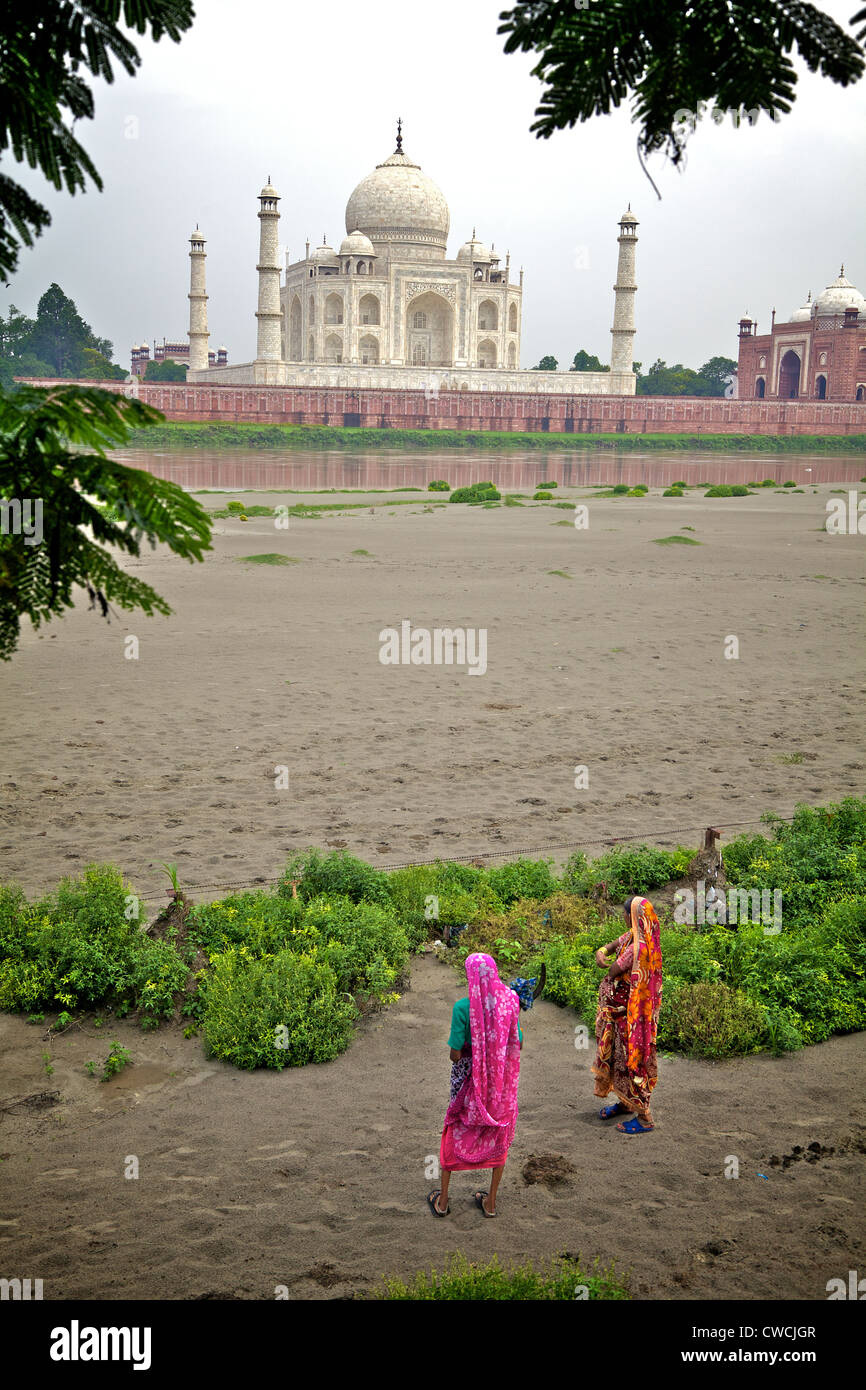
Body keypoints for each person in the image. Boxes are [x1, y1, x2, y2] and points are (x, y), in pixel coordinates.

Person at [428, 952, 522, 1218]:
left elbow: (455, 1053)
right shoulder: (510, 1003)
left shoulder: (462, 1008)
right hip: (500, 1082)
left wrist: (475, 1052)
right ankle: (490, 1203)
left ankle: (444, 1201)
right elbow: (518, 1043)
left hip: (469, 1081)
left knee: (455, 1126)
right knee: (498, 1129)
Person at [591, 894, 662, 1134]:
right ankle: (626, 1104)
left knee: (633, 1061)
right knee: (620, 1061)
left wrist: (606, 962)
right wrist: (603, 949)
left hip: (629, 1018)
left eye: (625, 914)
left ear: (631, 916)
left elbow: (613, 969)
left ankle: (645, 1118)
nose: (623, 918)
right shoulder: (637, 935)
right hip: (620, 1016)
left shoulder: (638, 948)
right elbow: (612, 945)